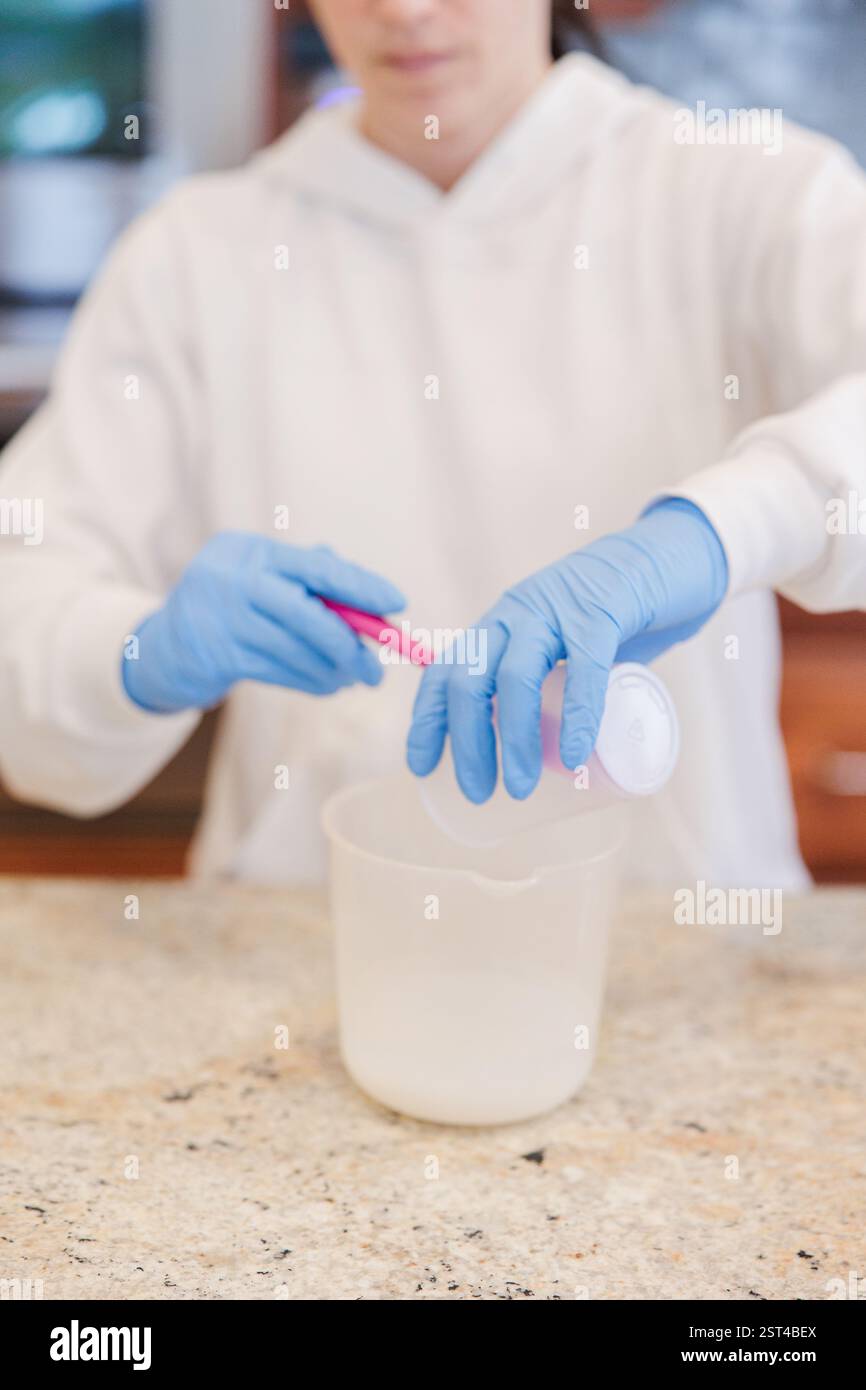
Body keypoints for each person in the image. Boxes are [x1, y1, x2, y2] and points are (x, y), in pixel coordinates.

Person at [0, 0, 863, 885]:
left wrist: (715, 532)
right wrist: (138, 653)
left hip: (678, 941)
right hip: (304, 941)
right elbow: (22, 637)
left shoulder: (743, 192)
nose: (404, 11)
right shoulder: (196, 254)